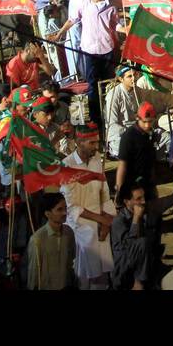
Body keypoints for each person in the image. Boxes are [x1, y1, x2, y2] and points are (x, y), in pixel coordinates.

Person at [62, 124, 115, 289]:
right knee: (88, 259)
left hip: (100, 218)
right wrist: (101, 220)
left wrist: (108, 218)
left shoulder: (96, 158)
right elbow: (72, 206)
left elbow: (104, 190)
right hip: (79, 222)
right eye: (92, 143)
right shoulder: (67, 165)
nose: (96, 147)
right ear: (79, 142)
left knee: (103, 267)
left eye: (97, 142)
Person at [111, 182, 161, 290]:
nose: (143, 201)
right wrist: (135, 219)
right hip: (123, 269)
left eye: (143, 197)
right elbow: (129, 246)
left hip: (140, 265)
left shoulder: (144, 214)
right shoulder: (119, 221)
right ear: (126, 201)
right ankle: (139, 283)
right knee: (143, 242)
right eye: (138, 199)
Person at [26, 192, 77, 290]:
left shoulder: (69, 232)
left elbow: (72, 261)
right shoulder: (37, 239)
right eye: (59, 209)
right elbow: (33, 273)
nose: (64, 213)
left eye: (65, 208)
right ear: (48, 214)